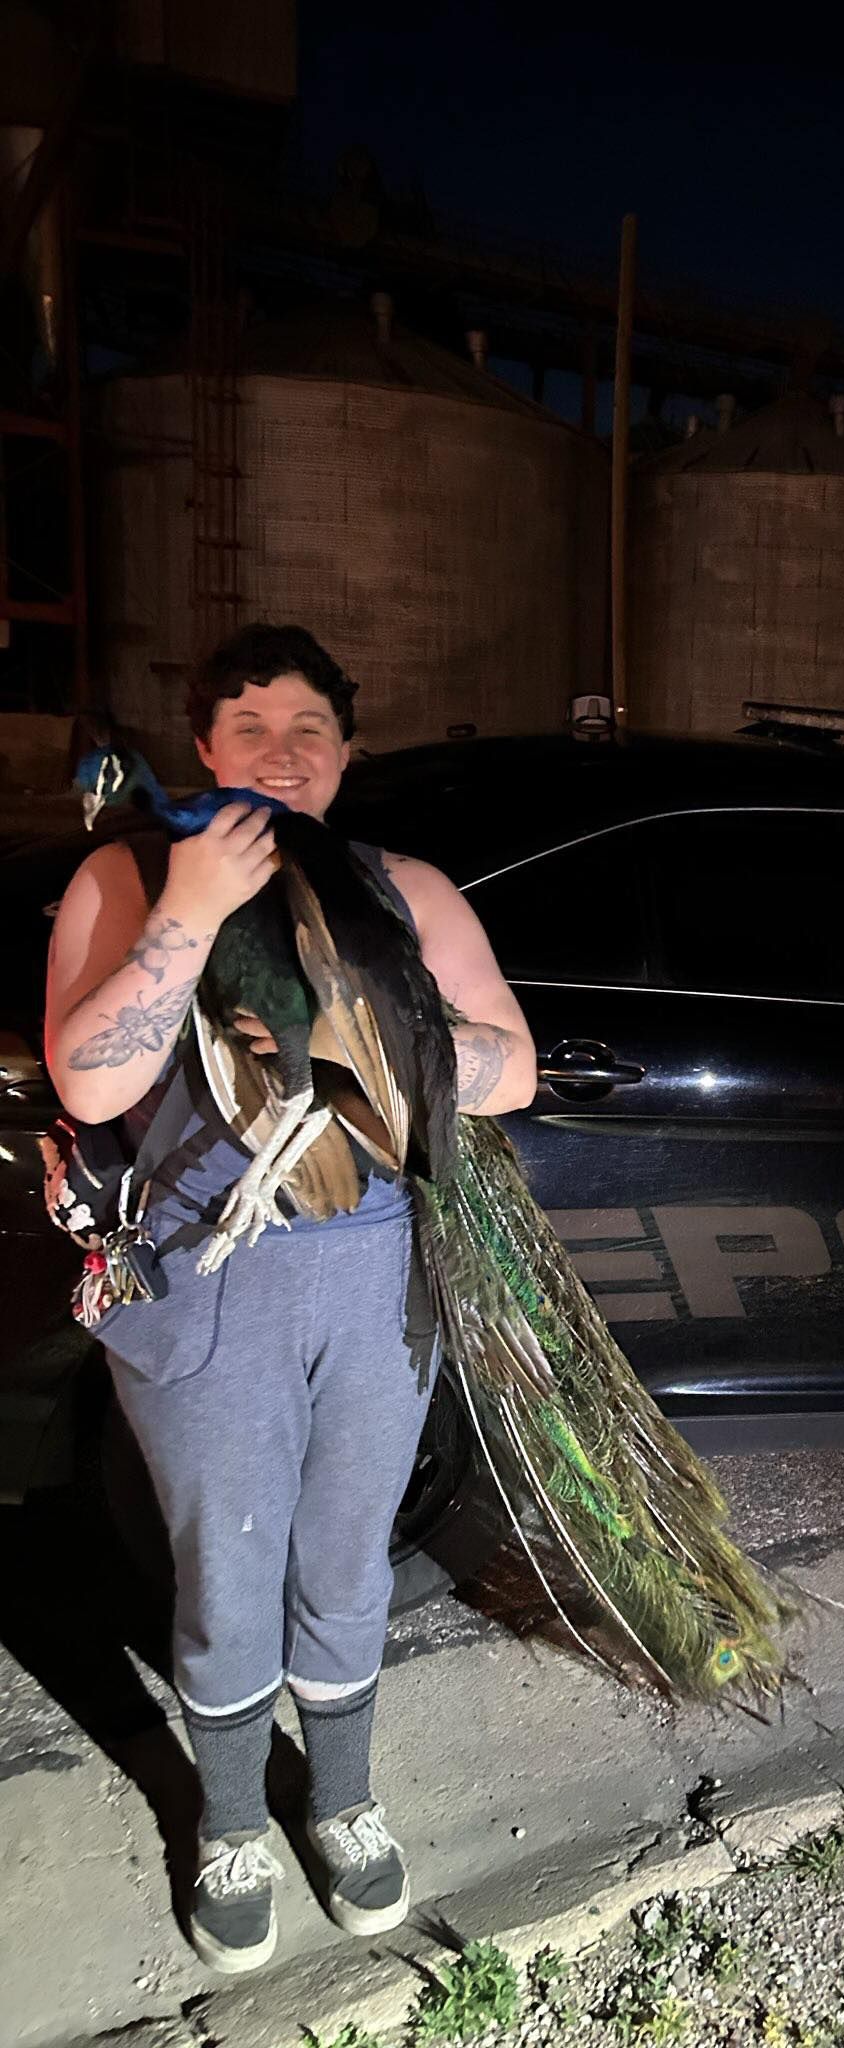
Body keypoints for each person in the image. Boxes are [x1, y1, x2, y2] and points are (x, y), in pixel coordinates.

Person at [44, 624, 538, 1974]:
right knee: (227, 1565)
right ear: (204, 746)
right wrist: (192, 909)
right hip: (207, 1279)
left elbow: (512, 1068)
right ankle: (227, 1822)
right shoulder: (127, 876)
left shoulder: (402, 888)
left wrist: (367, 1036)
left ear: (346, 754)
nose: (280, 750)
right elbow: (91, 1076)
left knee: (346, 1558)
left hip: (375, 1274)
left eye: (309, 727)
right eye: (249, 725)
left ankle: (343, 1799)